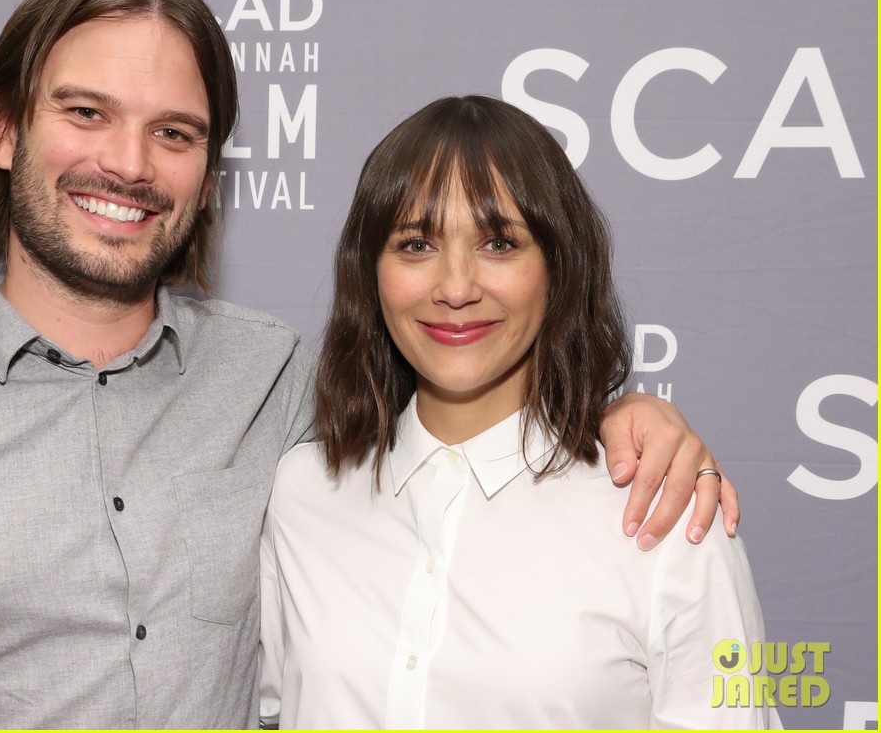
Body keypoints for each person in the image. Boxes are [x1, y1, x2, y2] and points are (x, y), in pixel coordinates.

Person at [0, 0, 733, 729]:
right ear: (4, 132)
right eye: (86, 112)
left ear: (206, 170)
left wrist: (615, 416)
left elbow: (458, 392)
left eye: (174, 132)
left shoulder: (275, 380)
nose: (128, 164)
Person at [259, 95, 769, 729]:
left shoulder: (660, 516)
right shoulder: (304, 492)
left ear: (558, 268)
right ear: (372, 275)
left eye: (499, 243)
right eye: (416, 244)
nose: (455, 286)